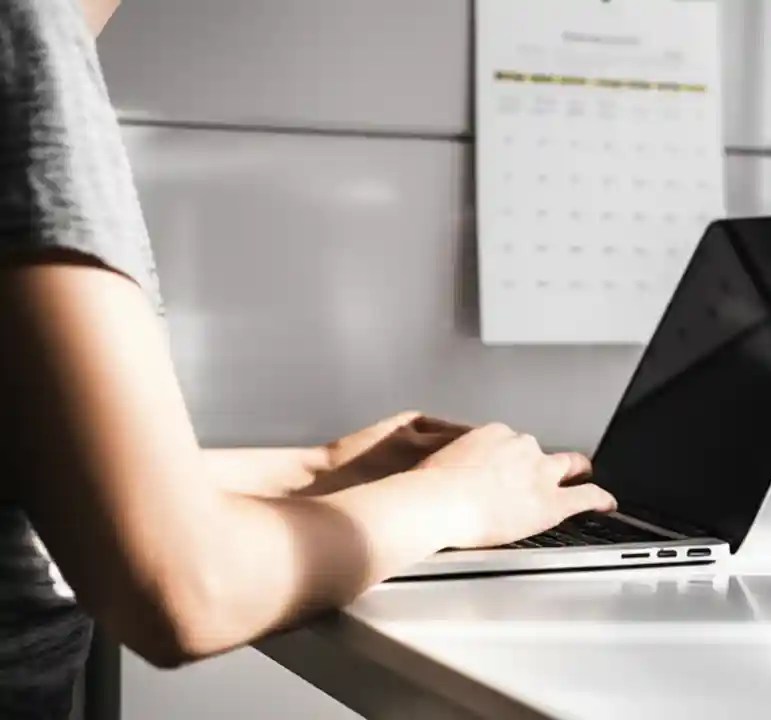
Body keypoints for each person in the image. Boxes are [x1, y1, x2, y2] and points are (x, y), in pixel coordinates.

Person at [0, 1, 616, 716]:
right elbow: (190, 588)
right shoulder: (24, 32)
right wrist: (458, 500)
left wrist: (315, 468)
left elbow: (33, 464)